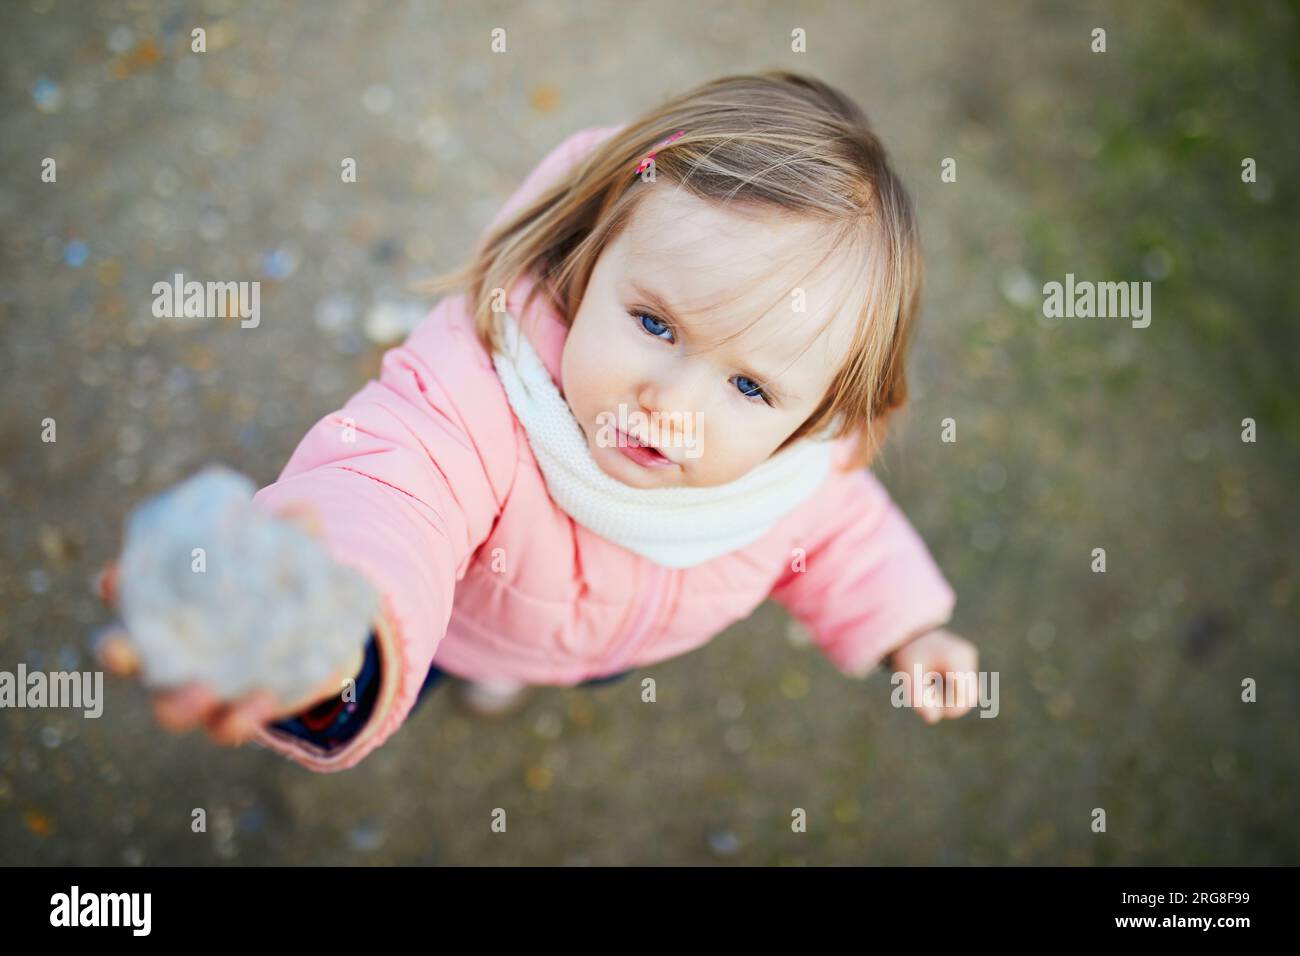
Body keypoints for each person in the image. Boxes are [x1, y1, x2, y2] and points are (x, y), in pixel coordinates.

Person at [97, 70, 979, 773]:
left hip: (607, 646)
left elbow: (845, 536)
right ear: (587, 259)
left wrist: (910, 628)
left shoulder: (797, 471)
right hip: (447, 624)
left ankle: (521, 675)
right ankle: (469, 670)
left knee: (564, 669)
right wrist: (332, 625)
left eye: (749, 388)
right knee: (453, 659)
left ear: (819, 416)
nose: (669, 405)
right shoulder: (481, 395)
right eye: (655, 324)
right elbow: (395, 489)